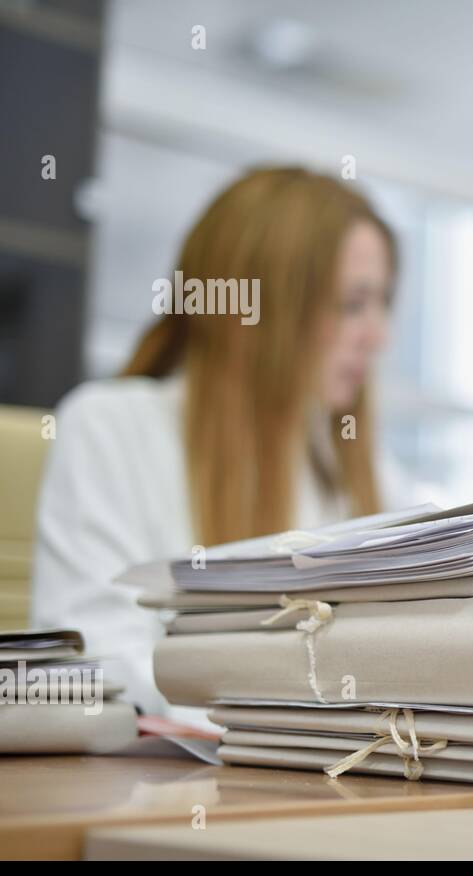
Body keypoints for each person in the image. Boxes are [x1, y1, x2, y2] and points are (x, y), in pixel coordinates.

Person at [31, 167, 425, 715]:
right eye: (352, 304)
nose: (379, 336)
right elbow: (102, 665)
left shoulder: (350, 463)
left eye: (382, 303)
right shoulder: (108, 428)